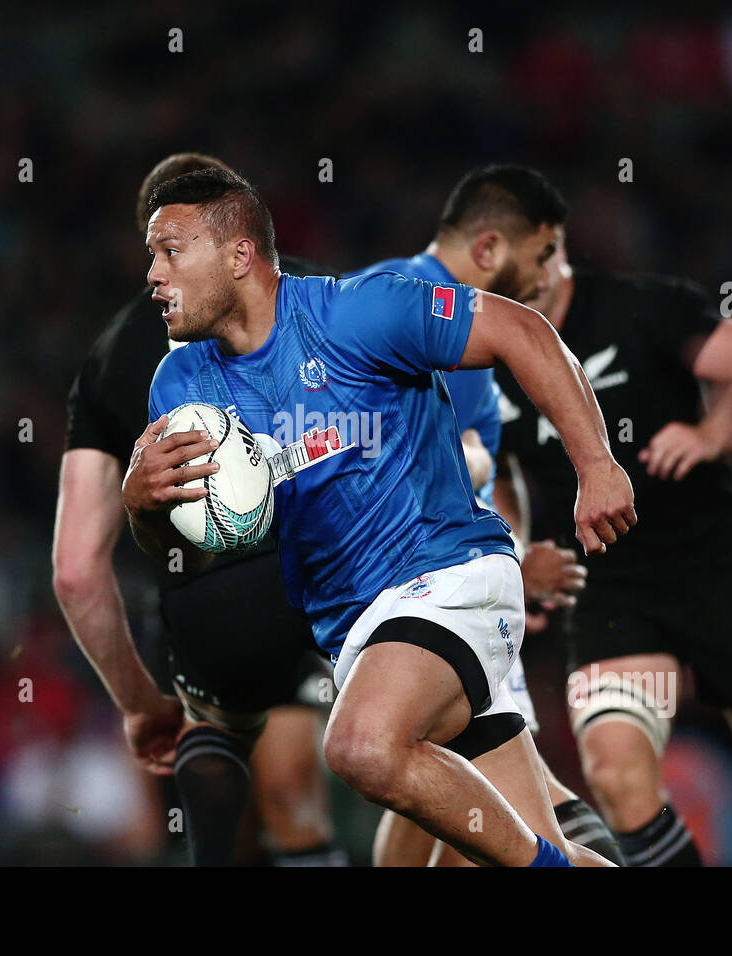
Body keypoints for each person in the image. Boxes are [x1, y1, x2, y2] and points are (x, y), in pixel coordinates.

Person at [128, 167, 637, 867]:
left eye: (171, 250)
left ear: (239, 255)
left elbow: (521, 328)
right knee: (493, 847)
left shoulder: (356, 314)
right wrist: (144, 507)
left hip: (450, 578)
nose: (153, 274)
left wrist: (597, 464)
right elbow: (188, 548)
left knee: (359, 747)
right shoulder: (181, 387)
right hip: (360, 638)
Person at [496, 188, 732, 864]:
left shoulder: (643, 307)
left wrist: (713, 430)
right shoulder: (490, 357)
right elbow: (495, 466)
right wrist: (514, 550)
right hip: (612, 587)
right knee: (616, 775)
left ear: (556, 250)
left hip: (719, 570)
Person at [55, 153, 345, 867]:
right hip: (324, 597)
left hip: (198, 626)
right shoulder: (313, 293)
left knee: (220, 829)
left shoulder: (110, 353)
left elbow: (74, 572)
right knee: (294, 802)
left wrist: (137, 702)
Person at [352, 165, 622, 866]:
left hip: (447, 595)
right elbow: (423, 457)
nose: (552, 276)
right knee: (480, 824)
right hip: (406, 590)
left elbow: (491, 468)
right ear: (490, 247)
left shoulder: (471, 328)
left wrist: (516, 551)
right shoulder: (392, 308)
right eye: (542, 256)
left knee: (481, 827)